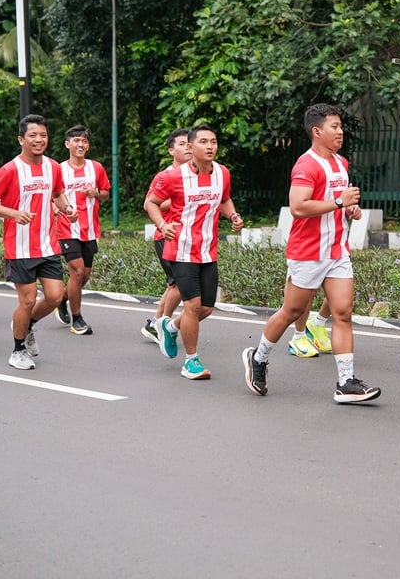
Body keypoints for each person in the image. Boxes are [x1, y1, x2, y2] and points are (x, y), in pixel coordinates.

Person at [242, 103, 381, 403]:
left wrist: (350, 209)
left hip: (336, 251)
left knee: (343, 312)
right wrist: (340, 202)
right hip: (307, 253)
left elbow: (336, 203)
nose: (340, 131)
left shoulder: (341, 163)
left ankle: (346, 383)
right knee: (291, 311)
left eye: (341, 126)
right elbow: (299, 207)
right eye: (334, 127)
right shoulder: (306, 166)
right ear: (317, 132)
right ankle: (258, 356)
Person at [145, 124, 243, 380]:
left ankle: (170, 325)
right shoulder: (173, 177)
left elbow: (224, 199)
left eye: (213, 141)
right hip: (180, 250)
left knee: (206, 309)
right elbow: (150, 203)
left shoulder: (223, 173)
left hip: (208, 250)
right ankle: (191, 361)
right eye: (203, 142)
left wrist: (232, 215)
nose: (210, 146)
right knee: (192, 305)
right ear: (190, 147)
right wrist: (162, 225)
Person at [0, 115, 75, 370]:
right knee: (28, 300)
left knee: (55, 297)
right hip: (19, 246)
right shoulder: (11, 169)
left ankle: (27, 324)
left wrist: (67, 209)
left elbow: (57, 193)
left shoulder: (53, 167)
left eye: (43, 135)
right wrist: (13, 213)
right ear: (21, 139)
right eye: (33, 136)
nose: (39, 140)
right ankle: (18, 350)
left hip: (47, 244)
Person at [53, 125, 111, 335]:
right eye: (76, 140)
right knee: (76, 271)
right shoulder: (58, 169)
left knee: (84, 276)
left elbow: (105, 194)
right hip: (67, 228)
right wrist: (57, 208)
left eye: (84, 141)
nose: (81, 144)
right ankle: (77, 319)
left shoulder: (96, 168)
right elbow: (52, 195)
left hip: (90, 228)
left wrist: (96, 192)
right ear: (67, 144)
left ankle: (62, 299)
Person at [141, 128, 191, 345]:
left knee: (174, 285)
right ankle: (162, 323)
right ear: (172, 150)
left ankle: (155, 323)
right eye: (181, 144)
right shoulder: (167, 176)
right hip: (167, 236)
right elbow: (151, 203)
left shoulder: (197, 175)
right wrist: (183, 198)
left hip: (188, 239)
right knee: (179, 285)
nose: (187, 147)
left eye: (190, 143)